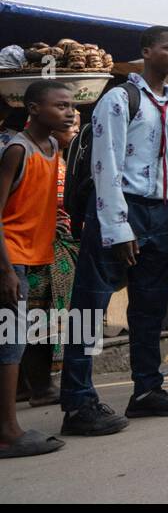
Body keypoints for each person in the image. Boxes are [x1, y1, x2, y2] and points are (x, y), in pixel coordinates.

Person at [61, 26, 168, 435]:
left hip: (158, 217)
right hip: (116, 212)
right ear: (146, 52)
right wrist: (118, 228)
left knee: (149, 310)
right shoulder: (120, 99)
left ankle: (146, 391)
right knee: (89, 308)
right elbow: (106, 165)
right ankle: (78, 404)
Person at [0, 80, 74, 458]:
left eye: (71, 105)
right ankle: (8, 432)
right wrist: (7, 271)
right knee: (10, 345)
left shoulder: (53, 148)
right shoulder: (18, 149)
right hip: (11, 256)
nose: (70, 111)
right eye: (60, 105)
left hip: (33, 257)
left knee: (19, 341)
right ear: (32, 108)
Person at [18, 107, 79, 407]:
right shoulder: (28, 155)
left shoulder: (61, 160)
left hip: (53, 245)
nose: (75, 128)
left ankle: (26, 385)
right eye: (70, 125)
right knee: (37, 315)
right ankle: (41, 386)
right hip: (36, 249)